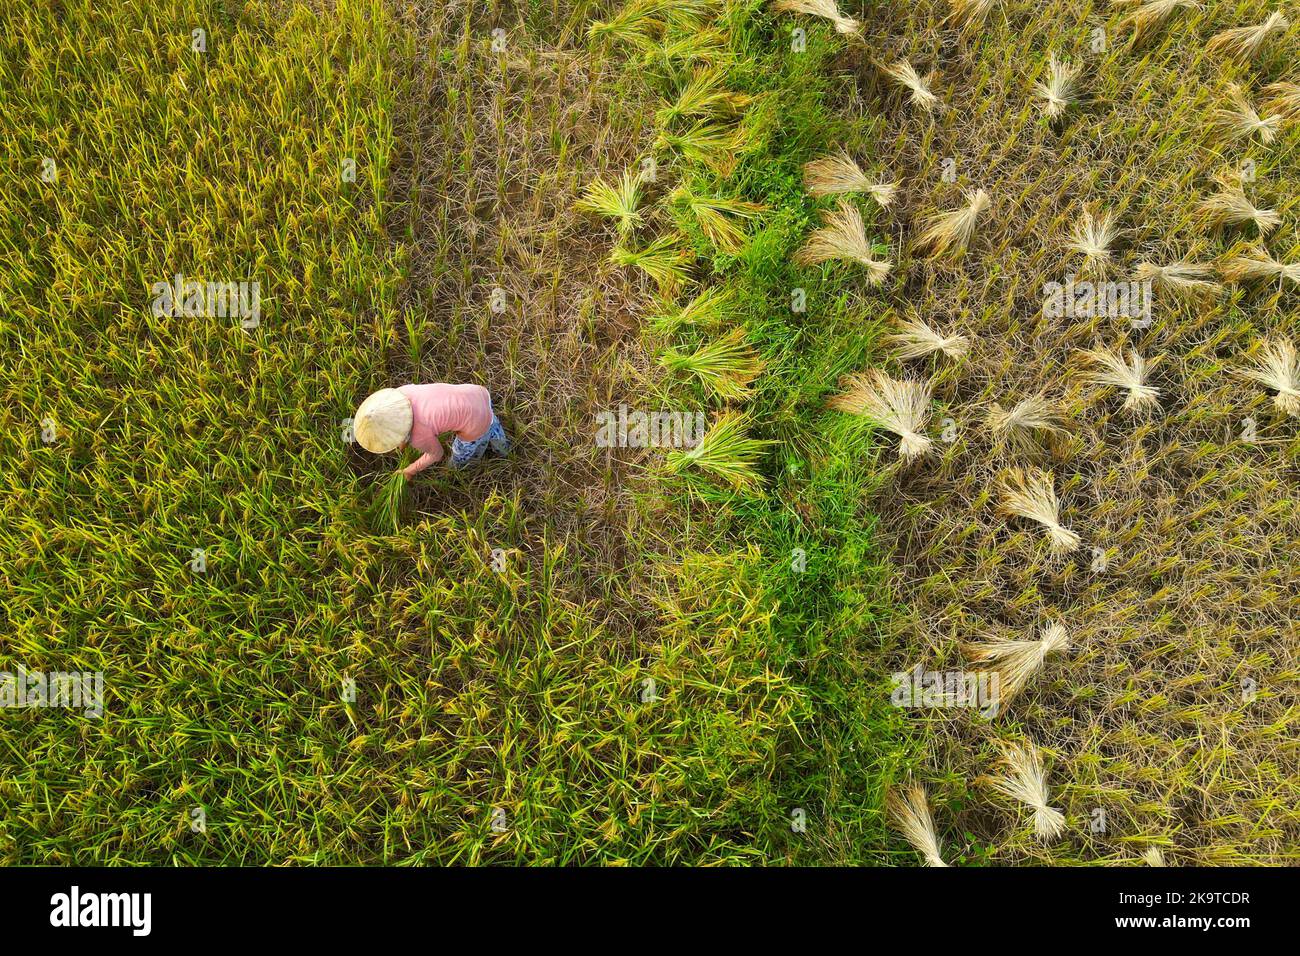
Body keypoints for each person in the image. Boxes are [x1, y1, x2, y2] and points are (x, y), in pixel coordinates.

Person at [353, 383, 508, 477]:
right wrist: (403, 442)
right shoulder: (401, 393)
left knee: (461, 456)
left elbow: (436, 454)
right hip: (477, 394)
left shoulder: (418, 435)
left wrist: (410, 470)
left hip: (475, 421)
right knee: (490, 422)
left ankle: (465, 469)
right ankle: (504, 449)